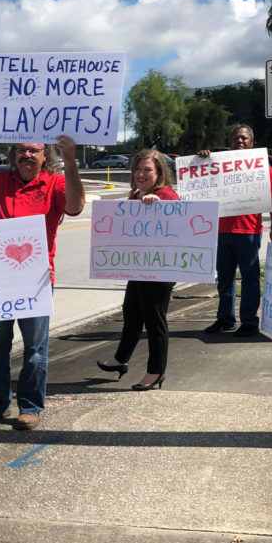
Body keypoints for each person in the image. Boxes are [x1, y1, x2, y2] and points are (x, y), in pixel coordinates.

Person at [0, 127, 85, 430]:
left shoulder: (55, 183)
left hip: (36, 280)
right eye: (21, 149)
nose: (27, 154)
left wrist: (70, 162)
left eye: (34, 150)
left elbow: (74, 207)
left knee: (34, 348)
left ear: (44, 155)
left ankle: (30, 405)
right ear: (13, 154)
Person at [96, 150, 179, 391]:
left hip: (160, 269)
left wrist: (158, 204)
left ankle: (155, 371)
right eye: (138, 169)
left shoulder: (165, 195)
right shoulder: (135, 195)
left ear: (159, 173)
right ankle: (120, 360)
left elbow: (178, 219)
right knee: (132, 314)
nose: (141, 174)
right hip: (139, 266)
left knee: (155, 320)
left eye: (147, 170)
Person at [199, 125, 272, 337]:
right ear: (229, 142)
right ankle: (225, 319)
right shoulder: (216, 166)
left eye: (244, 138)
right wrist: (202, 160)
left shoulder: (260, 167)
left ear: (252, 143)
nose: (240, 141)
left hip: (248, 231)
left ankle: (249, 321)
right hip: (221, 230)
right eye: (235, 138)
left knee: (250, 278)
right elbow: (200, 183)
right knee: (224, 279)